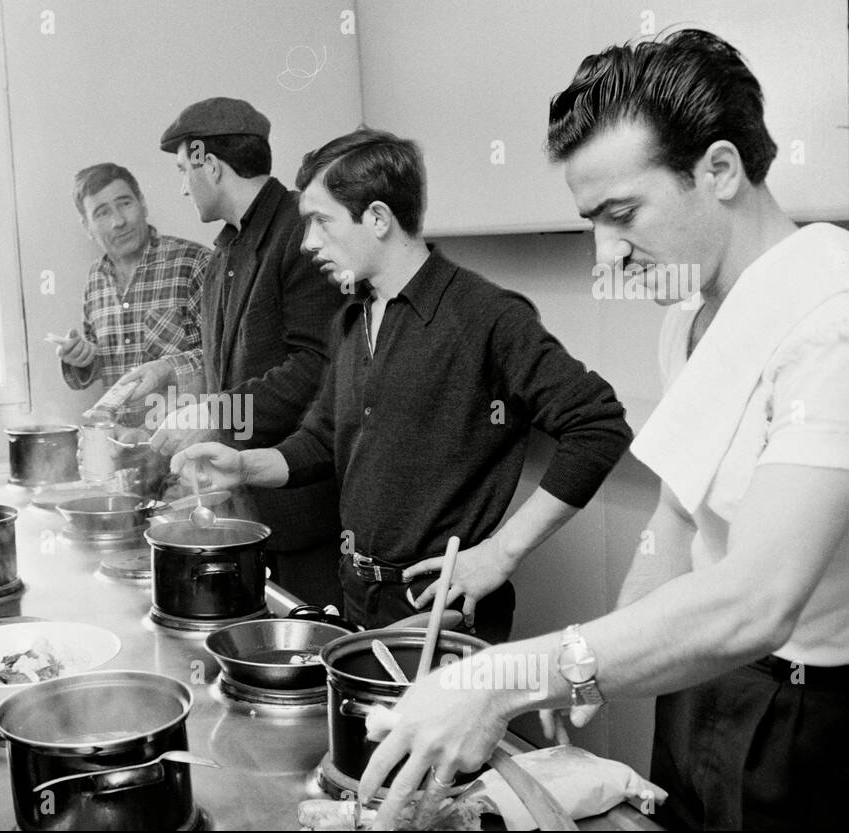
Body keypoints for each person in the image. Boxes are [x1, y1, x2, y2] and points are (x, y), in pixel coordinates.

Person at [360, 29, 849, 832]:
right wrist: (590, 672)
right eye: (592, 220)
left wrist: (522, 675)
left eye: (621, 215)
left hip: (802, 720)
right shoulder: (690, 317)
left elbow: (757, 598)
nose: (607, 254)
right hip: (703, 681)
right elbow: (676, 522)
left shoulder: (830, 315)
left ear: (719, 170)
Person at [172, 129, 632, 639]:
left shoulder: (485, 317)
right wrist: (242, 466)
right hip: (357, 596)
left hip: (441, 611)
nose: (308, 243)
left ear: (377, 218)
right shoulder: (353, 321)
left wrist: (500, 554)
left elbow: (598, 426)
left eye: (321, 222)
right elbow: (322, 440)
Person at [132, 97, 345, 607]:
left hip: (305, 515)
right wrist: (187, 411)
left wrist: (214, 412)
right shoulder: (225, 249)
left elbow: (318, 369)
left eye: (185, 168)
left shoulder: (301, 230)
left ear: (209, 161)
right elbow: (228, 368)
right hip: (249, 510)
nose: (183, 186)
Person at [52, 163, 208, 411]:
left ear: (142, 204)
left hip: (184, 437)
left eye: (125, 203)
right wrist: (82, 358)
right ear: (87, 228)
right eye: (102, 213)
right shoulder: (95, 278)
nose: (118, 221)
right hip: (121, 437)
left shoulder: (193, 261)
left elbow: (225, 358)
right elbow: (100, 360)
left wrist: (166, 369)